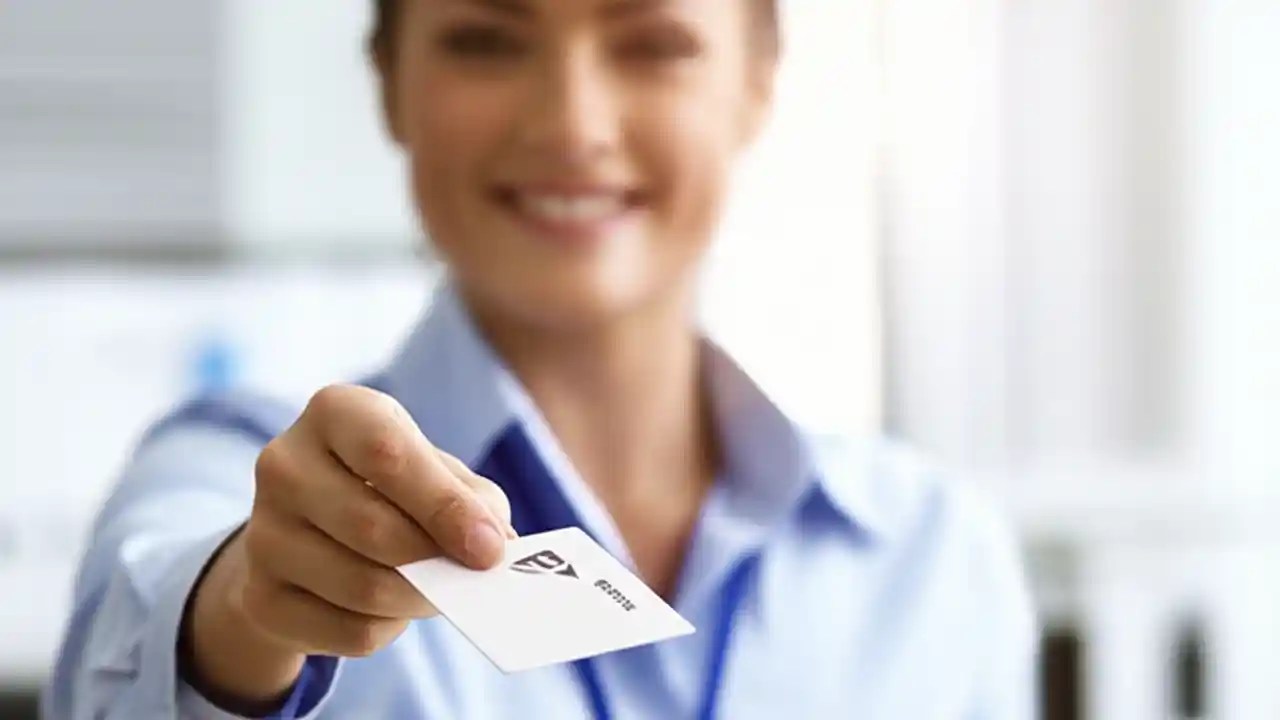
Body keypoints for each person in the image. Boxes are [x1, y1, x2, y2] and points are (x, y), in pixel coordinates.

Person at [45, 0, 1035, 717]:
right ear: (389, 83)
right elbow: (136, 645)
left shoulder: (931, 555)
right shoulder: (238, 471)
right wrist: (250, 614)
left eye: (653, 43)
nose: (571, 126)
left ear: (757, 81)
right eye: (485, 40)